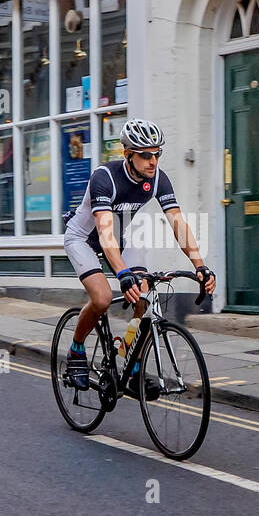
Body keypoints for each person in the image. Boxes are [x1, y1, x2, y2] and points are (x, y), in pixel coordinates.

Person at [61, 118, 215, 395]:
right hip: (84, 238)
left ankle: (132, 365)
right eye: (145, 154)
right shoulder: (104, 177)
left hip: (119, 239)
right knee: (102, 298)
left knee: (145, 297)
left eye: (157, 153)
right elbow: (105, 234)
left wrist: (200, 265)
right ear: (127, 154)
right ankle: (76, 349)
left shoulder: (158, 180)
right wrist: (122, 274)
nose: (152, 161)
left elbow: (179, 225)